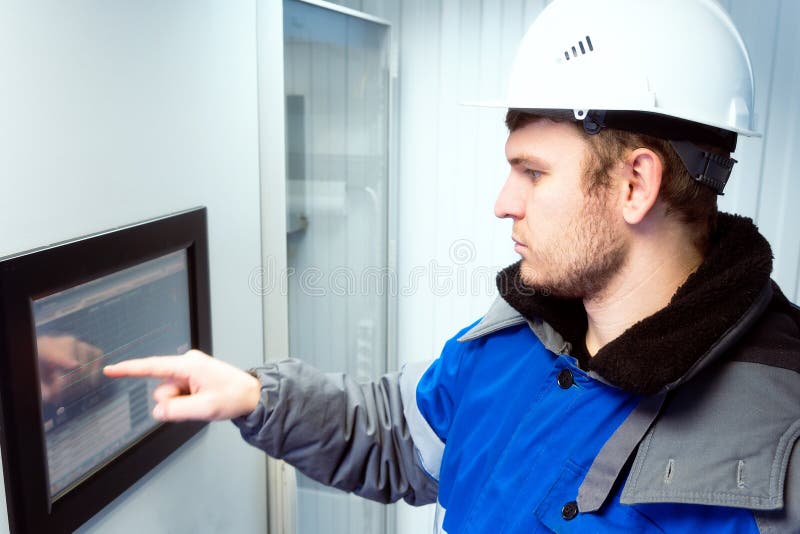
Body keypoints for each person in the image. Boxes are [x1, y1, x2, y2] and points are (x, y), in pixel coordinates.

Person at [104, 0, 800, 532]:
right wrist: (255, 396)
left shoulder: (781, 449)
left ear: (634, 185)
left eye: (532, 172)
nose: (503, 204)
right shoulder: (521, 333)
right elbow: (398, 436)